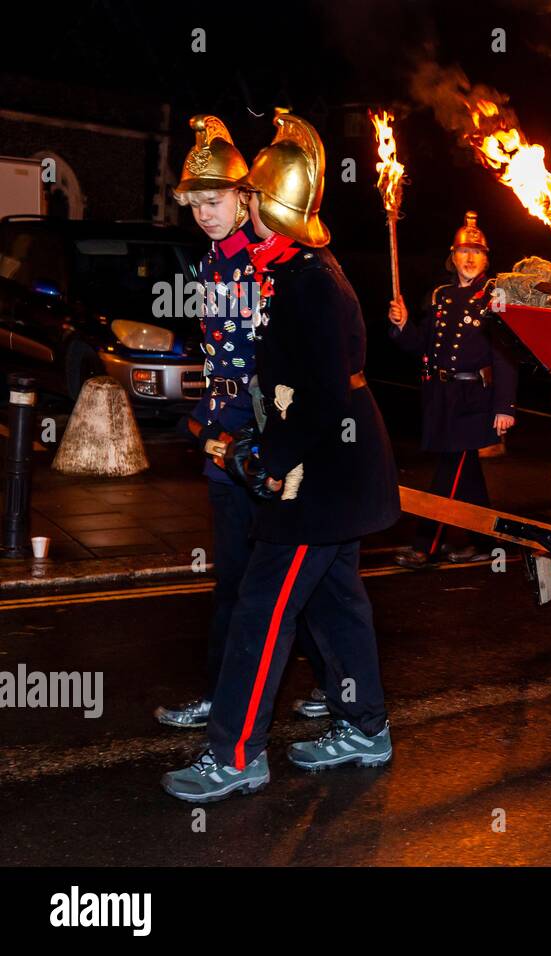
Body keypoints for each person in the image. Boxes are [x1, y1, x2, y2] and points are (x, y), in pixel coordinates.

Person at [162, 110, 401, 803]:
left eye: (255, 200)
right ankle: (365, 726)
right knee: (335, 605)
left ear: (272, 208)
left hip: (318, 476)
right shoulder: (287, 269)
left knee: (261, 613)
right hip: (331, 469)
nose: (244, 210)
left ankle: (236, 756)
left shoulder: (308, 281)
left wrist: (269, 461)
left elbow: (322, 396)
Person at [155, 115, 328, 732]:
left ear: (244, 197)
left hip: (267, 442)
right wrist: (206, 422)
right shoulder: (208, 267)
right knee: (236, 581)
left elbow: (284, 363)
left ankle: (337, 689)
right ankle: (223, 693)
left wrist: (268, 440)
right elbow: (217, 355)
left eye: (216, 199)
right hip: (224, 441)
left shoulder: (269, 265)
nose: (205, 212)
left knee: (291, 583)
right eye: (195, 202)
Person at [388, 212, 517, 568]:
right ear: (453, 255)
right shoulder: (440, 296)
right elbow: (420, 345)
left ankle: (426, 546)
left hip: (474, 398)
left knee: (448, 474)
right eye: (464, 250)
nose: (470, 258)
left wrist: (505, 406)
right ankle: (487, 543)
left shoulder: (497, 294)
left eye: (477, 251)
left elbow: (504, 352)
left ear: (486, 257)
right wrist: (402, 326)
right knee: (468, 476)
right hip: (441, 397)